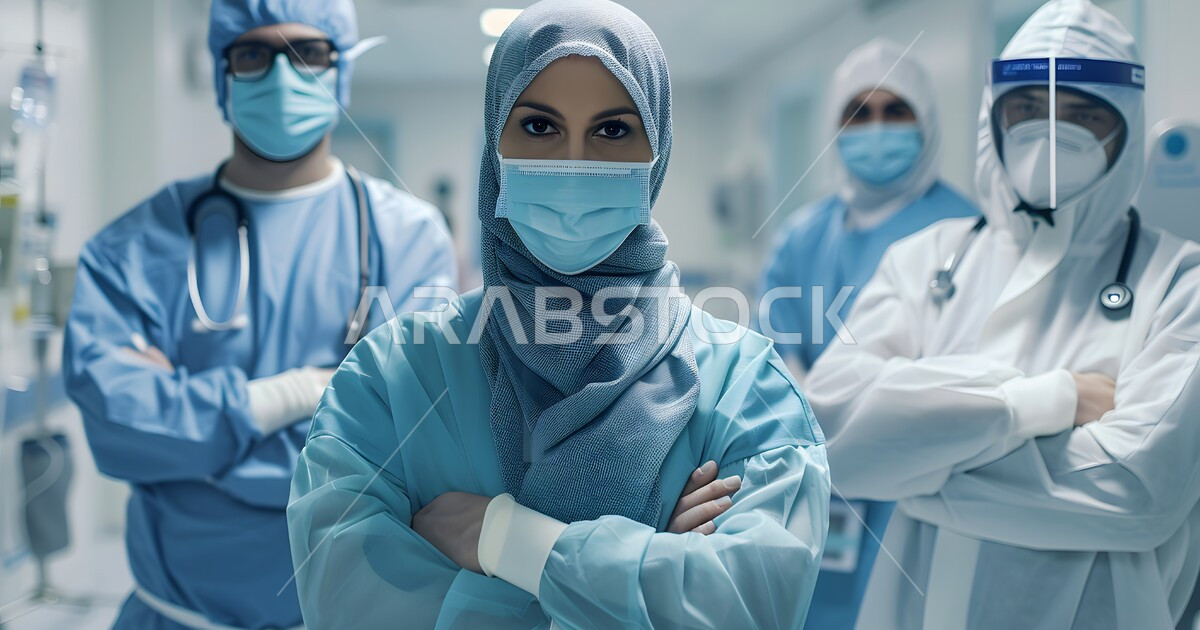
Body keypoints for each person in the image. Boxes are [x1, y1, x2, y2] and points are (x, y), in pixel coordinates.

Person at [286, 1, 830, 628]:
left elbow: (749, 605)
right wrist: (652, 569)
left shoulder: (745, 384)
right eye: (540, 127)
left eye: (613, 130)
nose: (576, 162)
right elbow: (345, 600)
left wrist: (504, 540)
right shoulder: (393, 376)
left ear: (658, 150)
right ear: (495, 145)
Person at [62, 0, 457, 627]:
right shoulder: (134, 246)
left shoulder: (407, 237)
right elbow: (121, 429)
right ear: (222, 73)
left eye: (308, 53)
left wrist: (190, 428)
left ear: (341, 70)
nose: (280, 76)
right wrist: (303, 393)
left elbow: (406, 442)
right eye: (253, 55)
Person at [805, 1, 1200, 628]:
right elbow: (828, 430)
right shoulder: (923, 258)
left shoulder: (1182, 281)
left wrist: (917, 463)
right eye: (1027, 109)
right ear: (994, 116)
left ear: (1124, 124)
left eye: (1082, 114)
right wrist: (1045, 403)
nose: (1049, 132)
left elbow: (1138, 494)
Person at [759, 39, 977, 630]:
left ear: (925, 122)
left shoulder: (968, 232)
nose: (875, 128)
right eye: (859, 113)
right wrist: (801, 397)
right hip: (810, 473)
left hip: (918, 480)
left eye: (895, 111)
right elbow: (770, 342)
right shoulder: (804, 234)